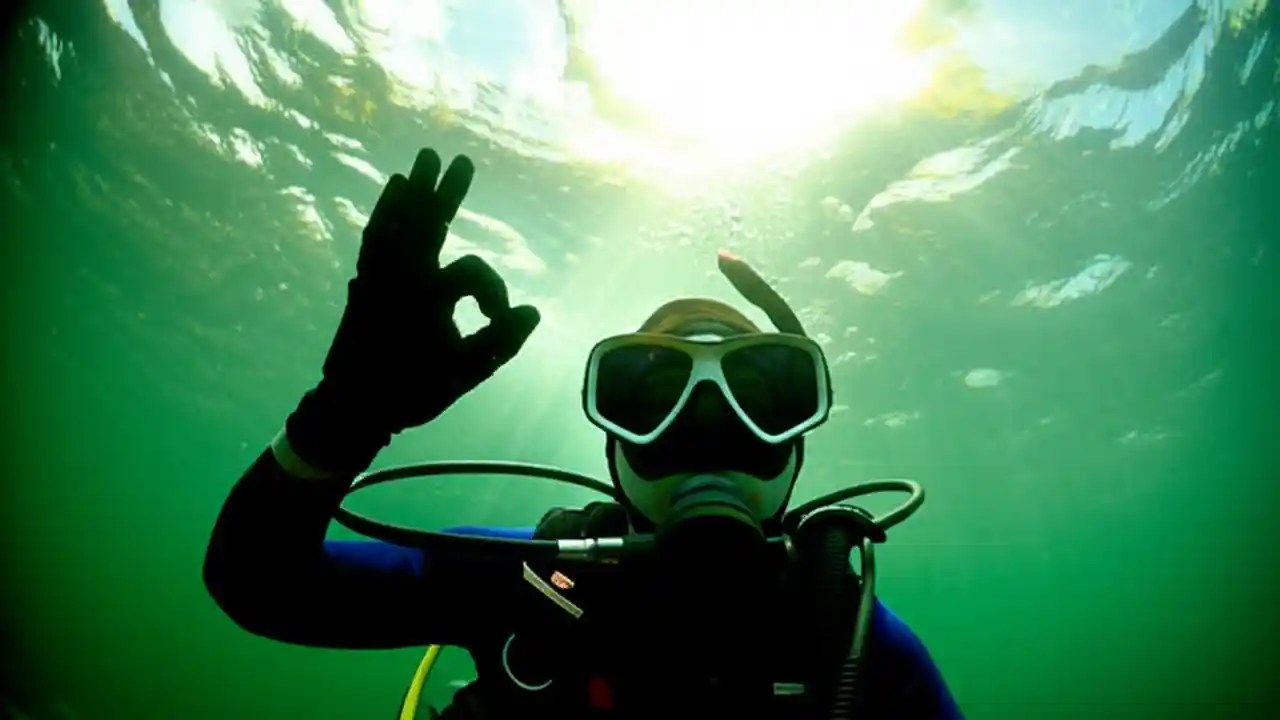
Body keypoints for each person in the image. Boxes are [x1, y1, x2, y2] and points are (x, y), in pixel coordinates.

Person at [203, 148, 963, 720]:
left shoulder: (858, 648)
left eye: (761, 397)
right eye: (652, 396)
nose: (706, 438)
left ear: (799, 443)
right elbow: (258, 584)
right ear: (609, 444)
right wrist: (346, 414)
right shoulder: (527, 583)